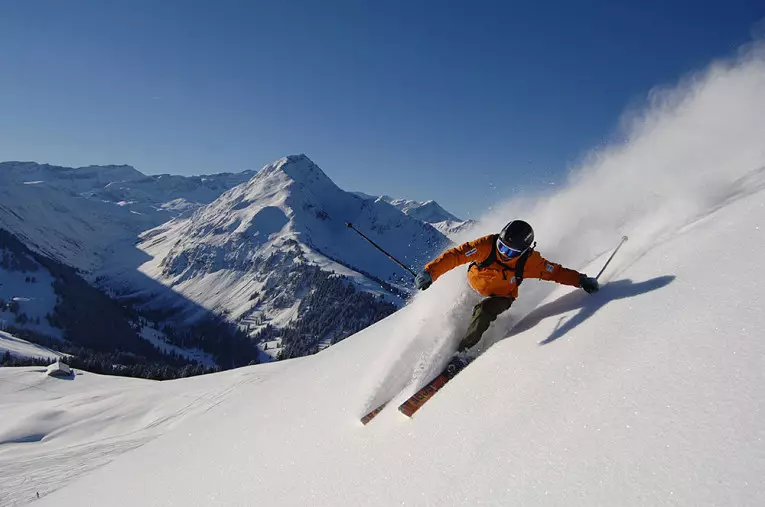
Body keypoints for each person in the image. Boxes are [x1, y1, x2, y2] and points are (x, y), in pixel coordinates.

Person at [415, 220, 599, 358]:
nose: (504, 254)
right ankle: (437, 347)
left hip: (502, 296)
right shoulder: (485, 246)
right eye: (502, 247)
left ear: (524, 251)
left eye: (511, 253)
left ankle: (463, 351)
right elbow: (456, 256)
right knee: (453, 315)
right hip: (472, 286)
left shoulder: (530, 262)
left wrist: (580, 280)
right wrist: (430, 272)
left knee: (484, 311)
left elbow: (555, 272)